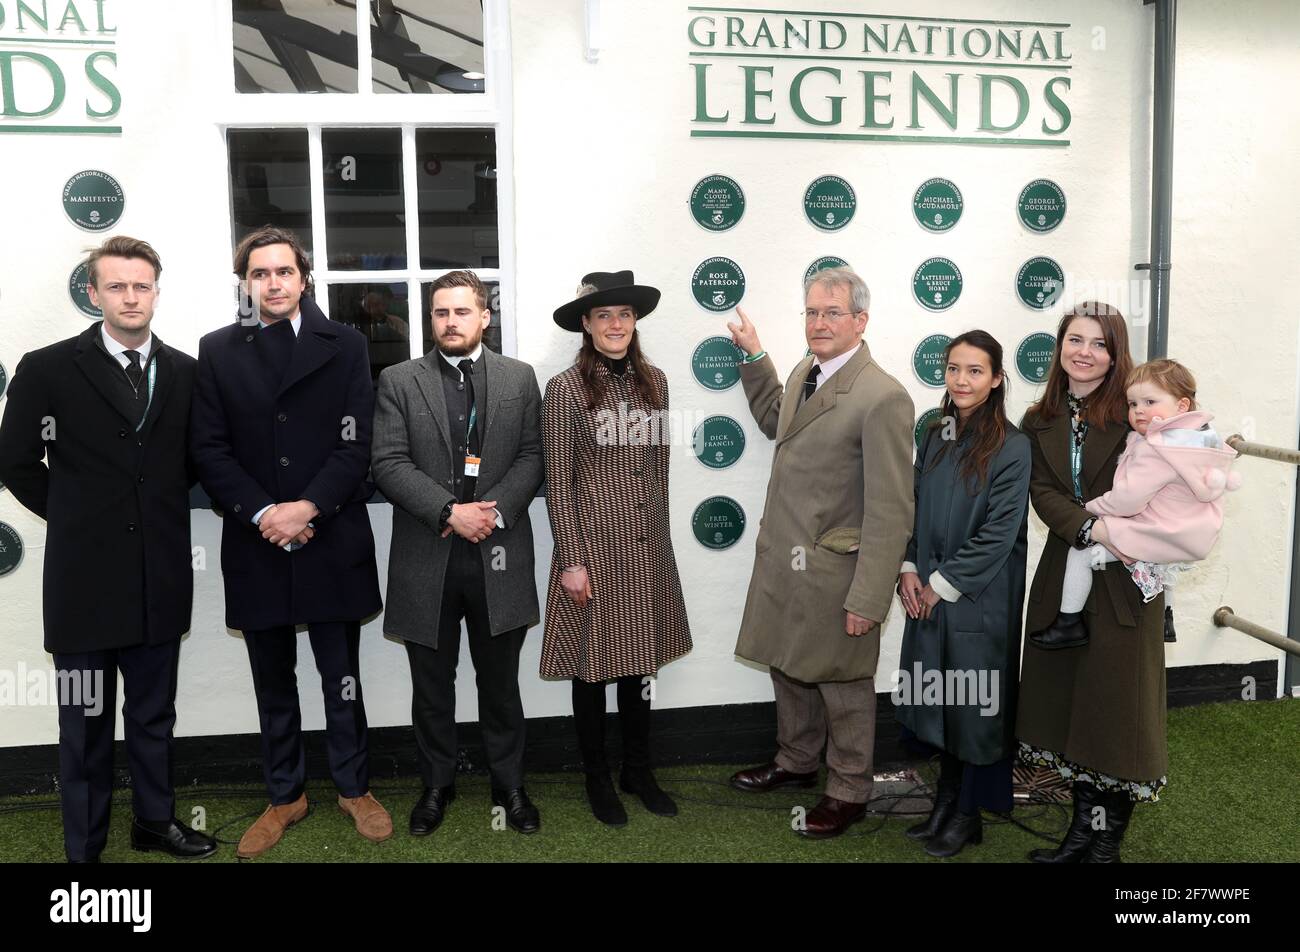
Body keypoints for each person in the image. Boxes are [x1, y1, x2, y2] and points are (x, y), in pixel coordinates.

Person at [0, 236, 217, 862]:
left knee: (154, 719)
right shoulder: (45, 368)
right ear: (93, 294)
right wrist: (75, 518)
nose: (130, 296)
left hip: (160, 581)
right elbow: (16, 459)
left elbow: (195, 463)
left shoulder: (183, 370)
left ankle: (154, 824)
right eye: (116, 286)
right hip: (82, 587)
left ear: (155, 292)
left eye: (141, 285)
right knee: (84, 729)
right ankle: (84, 850)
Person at [190, 225, 390, 858]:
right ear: (245, 283)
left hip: (329, 534)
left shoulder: (348, 343)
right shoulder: (218, 350)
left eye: (283, 271)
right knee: (272, 681)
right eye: (259, 273)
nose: (272, 283)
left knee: (343, 678)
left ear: (304, 277)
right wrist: (263, 513)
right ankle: (285, 796)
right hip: (257, 543)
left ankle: (354, 787)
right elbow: (209, 448)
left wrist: (307, 507)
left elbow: (356, 442)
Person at [726, 267, 915, 839]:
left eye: (833, 313)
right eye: (811, 312)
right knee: (789, 666)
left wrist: (870, 597)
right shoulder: (806, 370)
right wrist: (757, 358)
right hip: (788, 559)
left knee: (842, 683)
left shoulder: (883, 397)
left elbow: (891, 509)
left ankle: (849, 790)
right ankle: (796, 760)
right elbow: (777, 421)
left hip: (837, 573)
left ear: (861, 320)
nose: (819, 322)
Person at [371, 270, 544, 836]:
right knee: (431, 687)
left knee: (501, 686)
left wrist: (492, 513)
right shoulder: (398, 379)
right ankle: (436, 786)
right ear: (432, 318)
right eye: (441, 313)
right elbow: (388, 463)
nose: (450, 322)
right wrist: (451, 512)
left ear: (484, 316)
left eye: (461, 312)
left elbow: (533, 456)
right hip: (429, 557)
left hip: (499, 554)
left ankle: (510, 786)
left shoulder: (520, 379)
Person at [1015, 302, 1166, 864]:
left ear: (1116, 352)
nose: (1084, 352)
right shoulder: (1039, 418)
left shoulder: (1138, 411)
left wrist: (1116, 533)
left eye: (1099, 343)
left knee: (1115, 712)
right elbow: (1041, 490)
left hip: (1128, 577)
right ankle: (1079, 837)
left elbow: (1173, 474)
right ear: (1059, 347)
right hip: (1067, 569)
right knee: (1073, 708)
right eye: (1074, 340)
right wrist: (1089, 527)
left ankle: (1106, 848)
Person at [541, 270, 692, 826]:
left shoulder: (656, 381)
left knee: (639, 666)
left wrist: (660, 544)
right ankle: (596, 776)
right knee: (591, 670)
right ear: (586, 324)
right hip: (592, 550)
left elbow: (659, 470)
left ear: (635, 321)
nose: (615, 324)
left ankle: (638, 769)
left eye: (624, 314)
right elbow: (559, 481)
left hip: (644, 546)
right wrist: (573, 559)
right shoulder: (565, 388)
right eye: (603, 315)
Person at [895, 331, 1031, 858]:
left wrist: (941, 585)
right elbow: (915, 503)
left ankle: (968, 815)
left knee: (976, 708)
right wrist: (909, 566)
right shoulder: (935, 431)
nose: (961, 380)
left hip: (979, 599)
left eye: (975, 370)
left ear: (996, 378)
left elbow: (999, 533)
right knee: (943, 702)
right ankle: (945, 803)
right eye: (954, 368)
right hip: (926, 592)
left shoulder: (1013, 445)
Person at [1032, 358, 1239, 649]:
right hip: (1190, 533)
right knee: (1161, 563)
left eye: (1150, 401)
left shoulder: (1157, 448)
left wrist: (1088, 510)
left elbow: (1126, 501)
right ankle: (1167, 616)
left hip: (1161, 530)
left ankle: (1069, 622)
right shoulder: (1197, 439)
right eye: (1132, 404)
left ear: (1181, 406)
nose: (1139, 410)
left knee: (1082, 554)